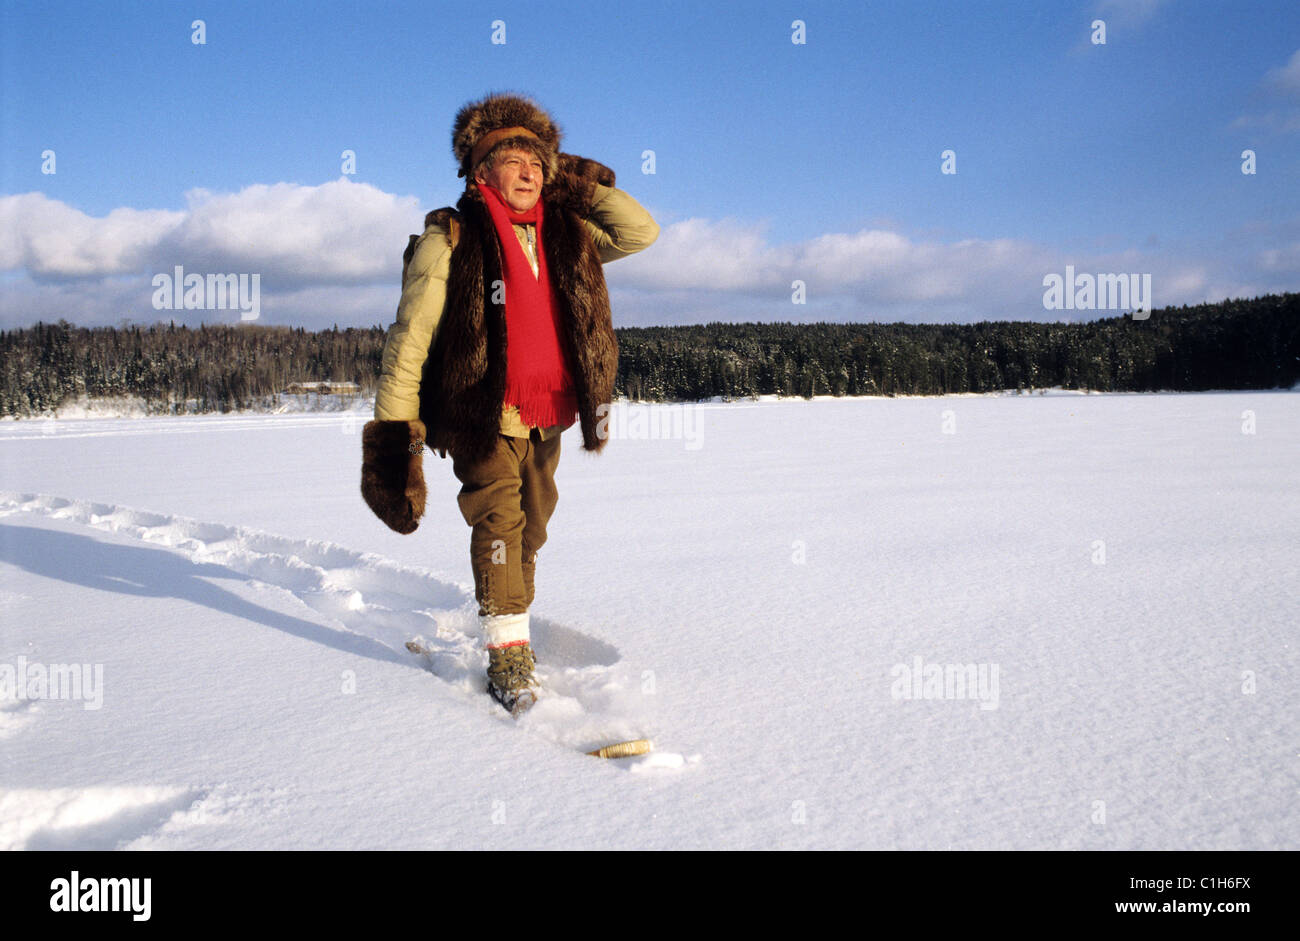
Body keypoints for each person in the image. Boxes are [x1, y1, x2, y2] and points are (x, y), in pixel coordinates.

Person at [360, 92, 659, 715]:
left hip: (549, 408)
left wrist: (575, 186)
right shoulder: (452, 237)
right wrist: (395, 433)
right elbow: (409, 338)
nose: (527, 172)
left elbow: (640, 231)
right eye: (513, 160)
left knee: (533, 526)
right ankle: (509, 661)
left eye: (537, 163)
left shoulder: (563, 235)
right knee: (499, 524)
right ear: (480, 171)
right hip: (479, 411)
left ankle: (509, 621)